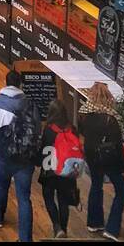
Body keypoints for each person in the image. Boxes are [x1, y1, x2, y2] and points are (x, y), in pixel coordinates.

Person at [0, 70, 42, 241]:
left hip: (3, 154)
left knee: (2, 184)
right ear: (20, 84)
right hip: (26, 157)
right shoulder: (30, 105)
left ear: (6, 82)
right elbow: (38, 130)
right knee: (24, 197)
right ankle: (25, 238)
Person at [81, 82, 124, 240]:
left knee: (96, 185)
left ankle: (94, 223)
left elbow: (83, 132)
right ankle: (112, 228)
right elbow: (118, 142)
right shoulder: (112, 118)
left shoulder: (84, 114)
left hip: (92, 156)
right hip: (109, 159)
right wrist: (123, 164)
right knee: (121, 191)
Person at [39, 99, 84, 238]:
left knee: (48, 197)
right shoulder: (73, 129)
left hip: (51, 169)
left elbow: (44, 150)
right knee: (63, 200)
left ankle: (57, 226)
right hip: (68, 170)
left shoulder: (48, 130)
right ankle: (63, 228)